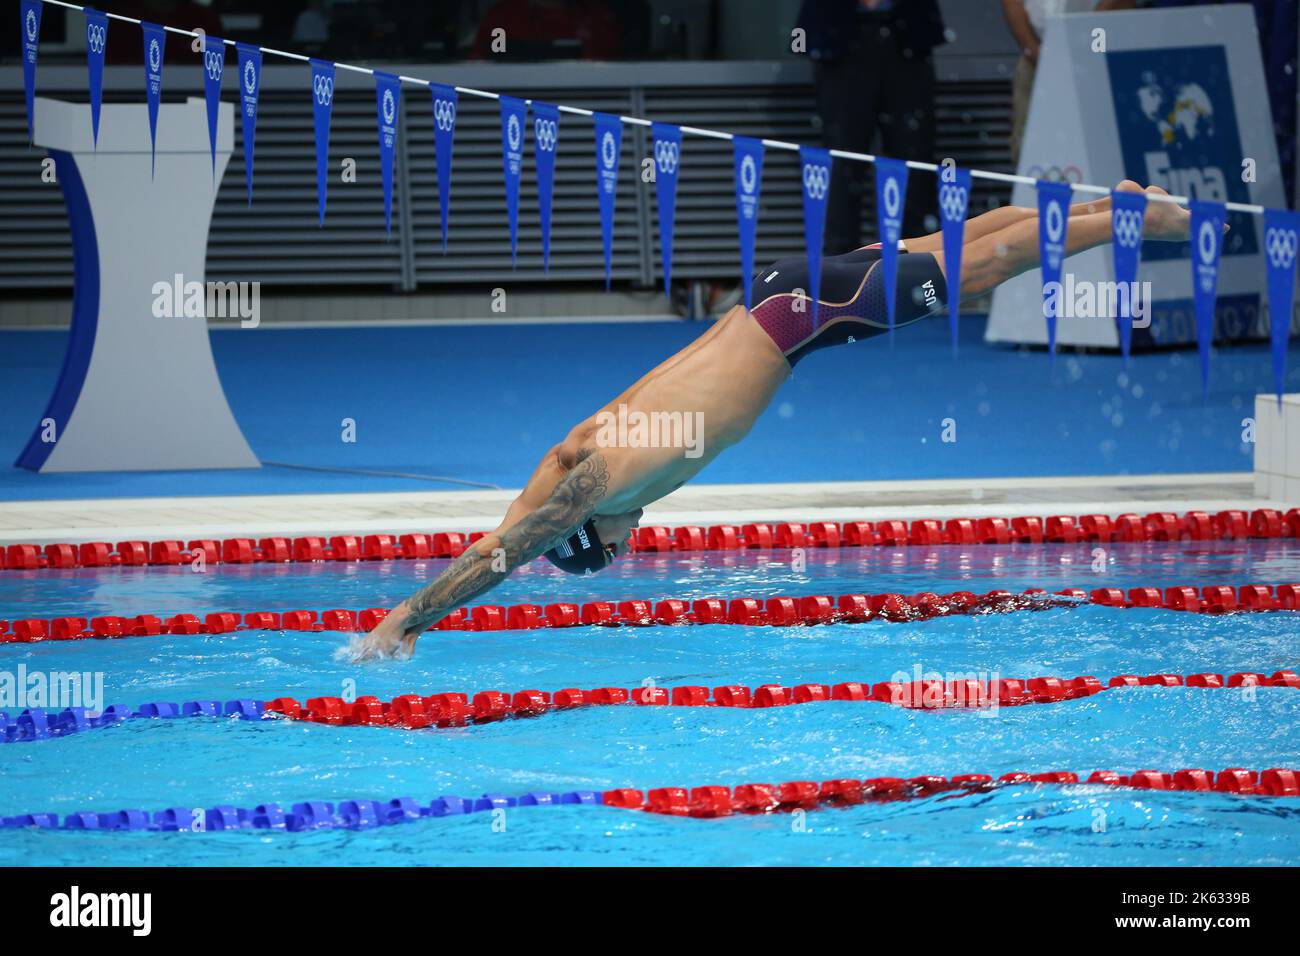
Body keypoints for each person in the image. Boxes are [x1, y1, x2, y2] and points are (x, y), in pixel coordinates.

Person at [356, 181, 1192, 660]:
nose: (630, 541)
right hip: (780, 301)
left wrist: (409, 619)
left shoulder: (616, 478)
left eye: (614, 547)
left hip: (800, 319)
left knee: (975, 267)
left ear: (593, 531)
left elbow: (513, 545)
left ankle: (1138, 221)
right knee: (954, 251)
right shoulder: (582, 444)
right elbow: (521, 511)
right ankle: (1105, 204)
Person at [797, 0, 947, 249]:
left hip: (908, 33)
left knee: (915, 164)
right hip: (838, 37)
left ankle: (917, 261)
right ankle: (840, 264)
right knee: (841, 165)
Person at [1001, 0, 1136, 165]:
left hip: (1099, 51)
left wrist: (1083, 41)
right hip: (1037, 55)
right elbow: (1012, 4)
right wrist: (1041, 57)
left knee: (1108, 142)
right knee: (1029, 146)